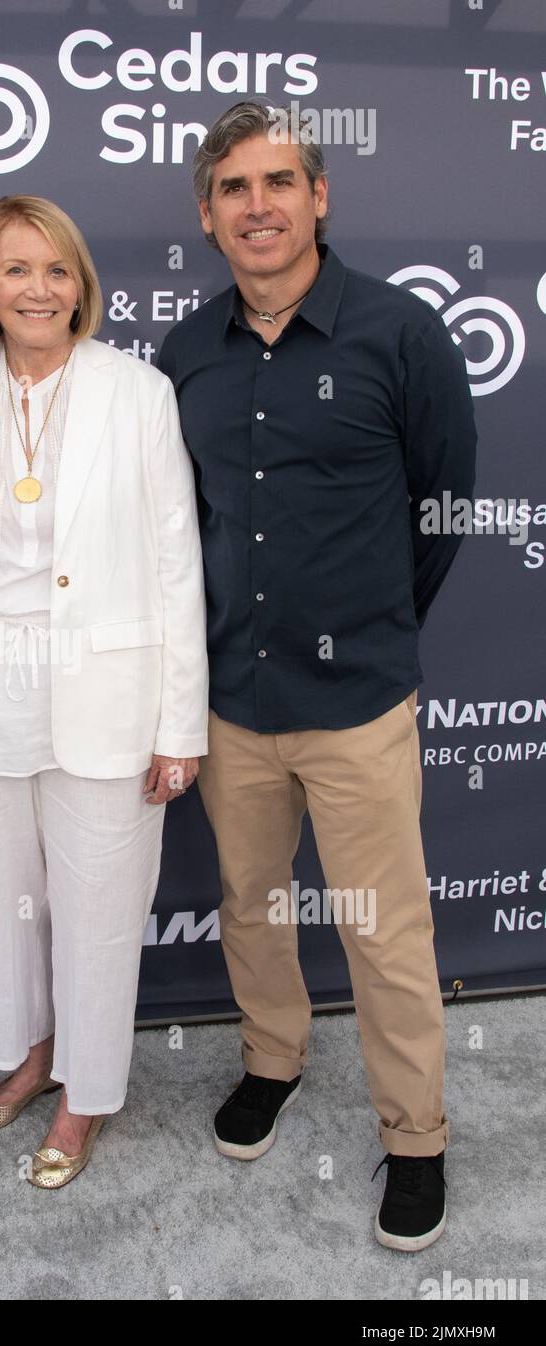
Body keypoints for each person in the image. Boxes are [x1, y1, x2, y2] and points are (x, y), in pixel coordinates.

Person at [158, 101, 476, 1249]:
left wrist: (371, 625)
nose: (258, 206)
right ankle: (272, 1060)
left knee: (385, 930)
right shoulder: (184, 354)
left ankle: (416, 1134)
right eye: (234, 188)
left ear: (318, 196)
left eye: (278, 182)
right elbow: (178, 527)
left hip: (355, 706)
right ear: (207, 214)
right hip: (230, 704)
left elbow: (437, 513)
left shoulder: (399, 335)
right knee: (250, 904)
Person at [0, 195, 208, 1189]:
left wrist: (178, 723)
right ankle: (31, 1057)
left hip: (108, 696)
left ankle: (86, 1093)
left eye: (57, 269)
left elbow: (175, 560)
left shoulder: (137, 392)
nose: (38, 288)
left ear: (82, 284)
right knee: (14, 905)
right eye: (16, 269)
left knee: (101, 909)